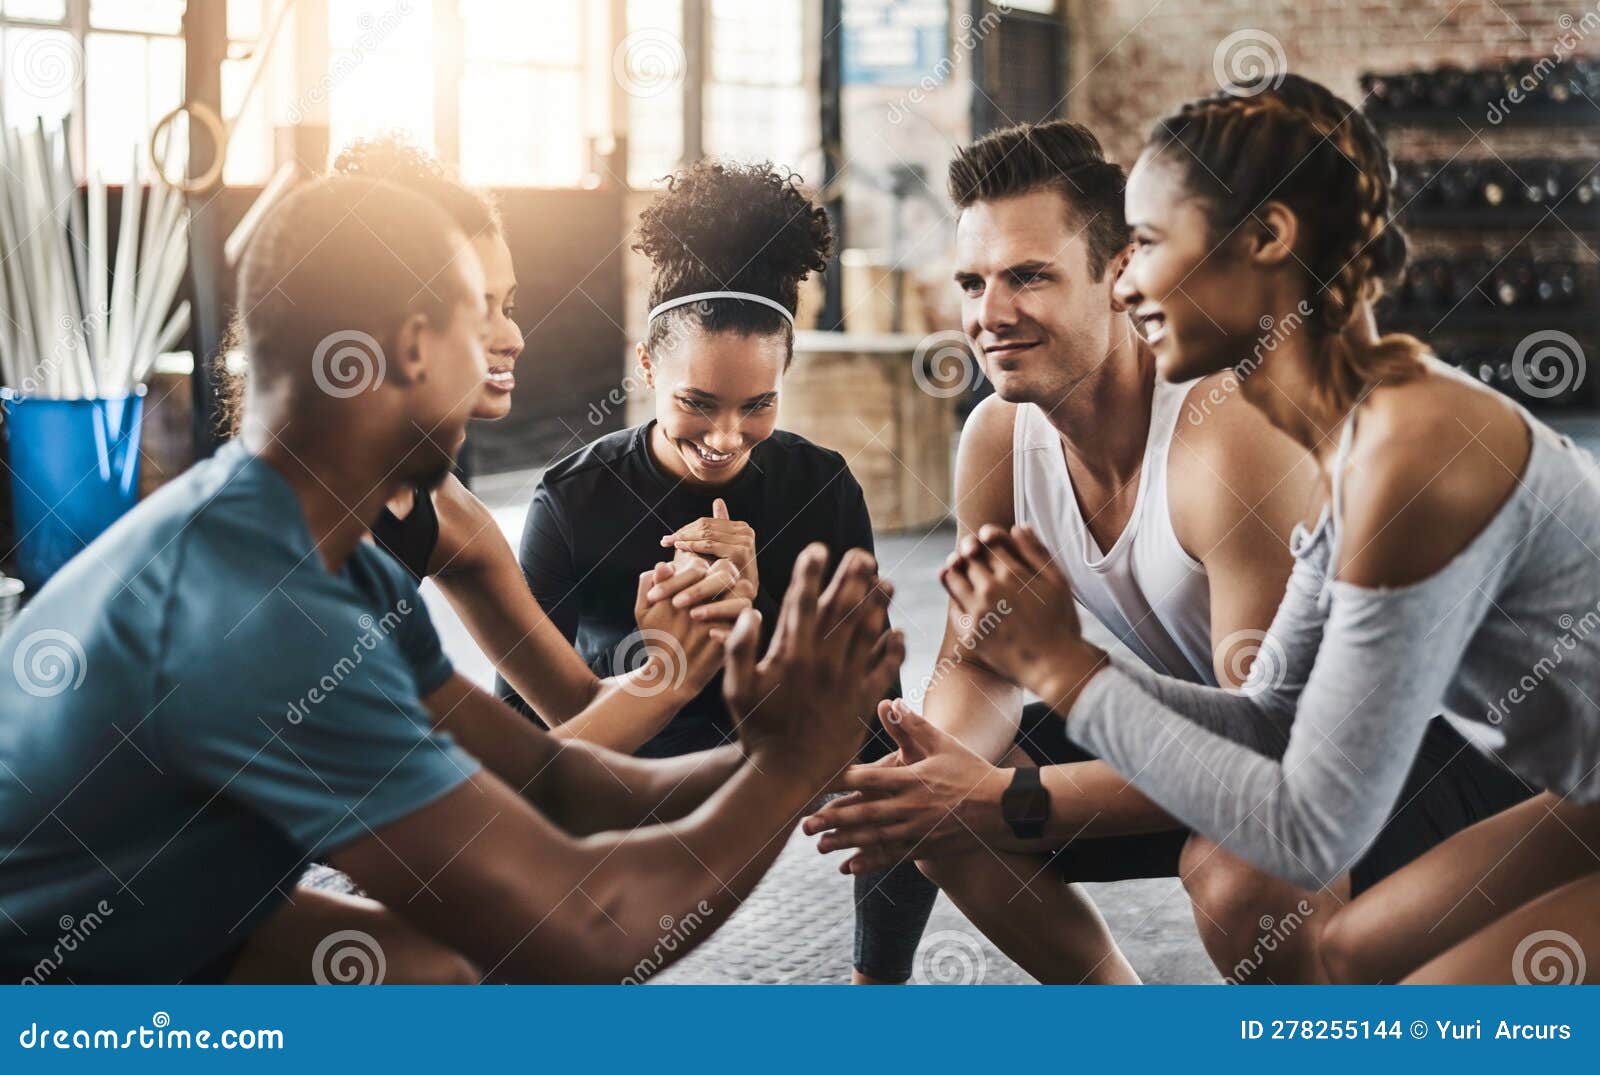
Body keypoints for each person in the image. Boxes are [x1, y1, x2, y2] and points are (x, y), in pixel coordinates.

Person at [0, 175, 903, 984]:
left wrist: (771, 747)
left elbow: (554, 779)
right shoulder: (261, 611)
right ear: (415, 348)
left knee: (435, 972)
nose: (511, 339)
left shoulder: (316, 544)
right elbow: (590, 928)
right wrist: (790, 766)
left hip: (154, 918)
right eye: (486, 312)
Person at [808, 119, 1530, 984]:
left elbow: (1276, 747)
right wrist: (938, 774)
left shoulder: (1223, 435)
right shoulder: (998, 437)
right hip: (1223, 734)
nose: (988, 314)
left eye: (1028, 276)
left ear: (1120, 278)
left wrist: (1001, 797)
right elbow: (982, 662)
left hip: (1421, 760)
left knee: (1239, 868)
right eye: (973, 281)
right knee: (939, 804)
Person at [499, 158, 939, 984]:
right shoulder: (572, 500)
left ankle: (880, 991)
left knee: (907, 777)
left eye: (757, 406)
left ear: (783, 379)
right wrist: (657, 660)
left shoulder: (822, 486)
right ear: (647, 366)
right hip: (633, 736)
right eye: (697, 402)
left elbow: (866, 693)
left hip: (786, 728)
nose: (727, 437)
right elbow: (518, 726)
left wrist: (759, 622)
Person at [334, 136, 750, 738]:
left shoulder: (444, 512)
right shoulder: (307, 528)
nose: (514, 337)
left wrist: (686, 660)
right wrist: (684, 687)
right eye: (482, 308)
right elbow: (484, 807)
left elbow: (576, 712)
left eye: (510, 304)